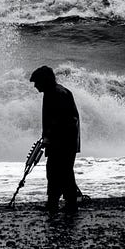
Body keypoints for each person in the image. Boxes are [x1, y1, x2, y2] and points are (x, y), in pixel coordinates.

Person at [30, 65, 81, 212]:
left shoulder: (56, 93)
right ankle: (59, 203)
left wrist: (49, 137)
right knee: (59, 171)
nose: (35, 86)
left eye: (37, 82)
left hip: (62, 142)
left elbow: (62, 120)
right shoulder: (55, 92)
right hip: (64, 141)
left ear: (44, 80)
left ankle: (65, 204)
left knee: (59, 172)